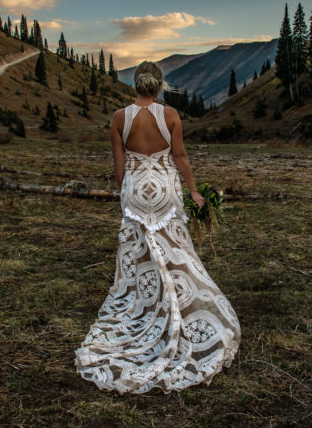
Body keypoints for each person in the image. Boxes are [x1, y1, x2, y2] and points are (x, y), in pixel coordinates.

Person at [74, 61, 240, 394]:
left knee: (139, 253)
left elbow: (119, 162)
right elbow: (180, 157)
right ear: (160, 85)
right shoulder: (171, 115)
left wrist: (125, 193)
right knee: (175, 250)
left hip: (137, 191)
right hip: (164, 190)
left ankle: (145, 302)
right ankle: (180, 297)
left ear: (135, 85)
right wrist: (192, 191)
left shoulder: (120, 118)